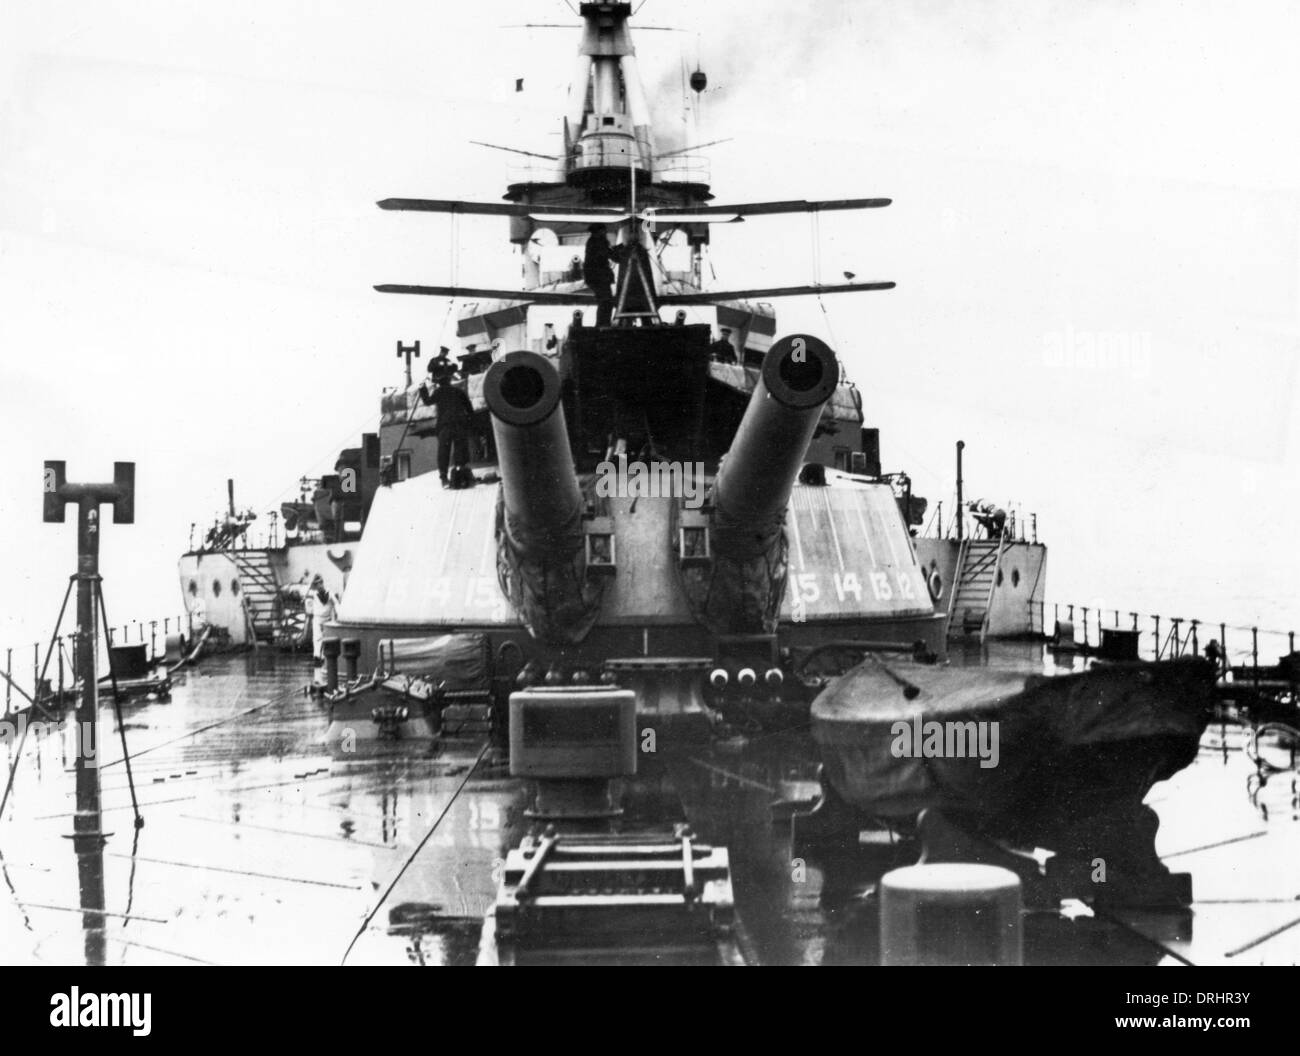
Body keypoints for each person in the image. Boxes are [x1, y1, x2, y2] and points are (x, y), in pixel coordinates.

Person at [419, 371, 475, 486]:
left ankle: (444, 477)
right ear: (450, 381)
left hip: (445, 426)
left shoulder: (439, 392)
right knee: (460, 449)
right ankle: (461, 472)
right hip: (459, 424)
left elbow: (427, 401)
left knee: (443, 451)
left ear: (439, 383)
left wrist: (422, 389)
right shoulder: (459, 391)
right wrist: (468, 422)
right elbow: (470, 409)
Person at [583, 223, 615, 326]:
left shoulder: (593, 242)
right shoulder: (598, 242)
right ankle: (603, 325)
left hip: (595, 277)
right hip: (599, 278)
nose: (605, 233)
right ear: (599, 232)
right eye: (603, 231)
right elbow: (608, 254)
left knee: (604, 302)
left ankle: (602, 324)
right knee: (606, 302)